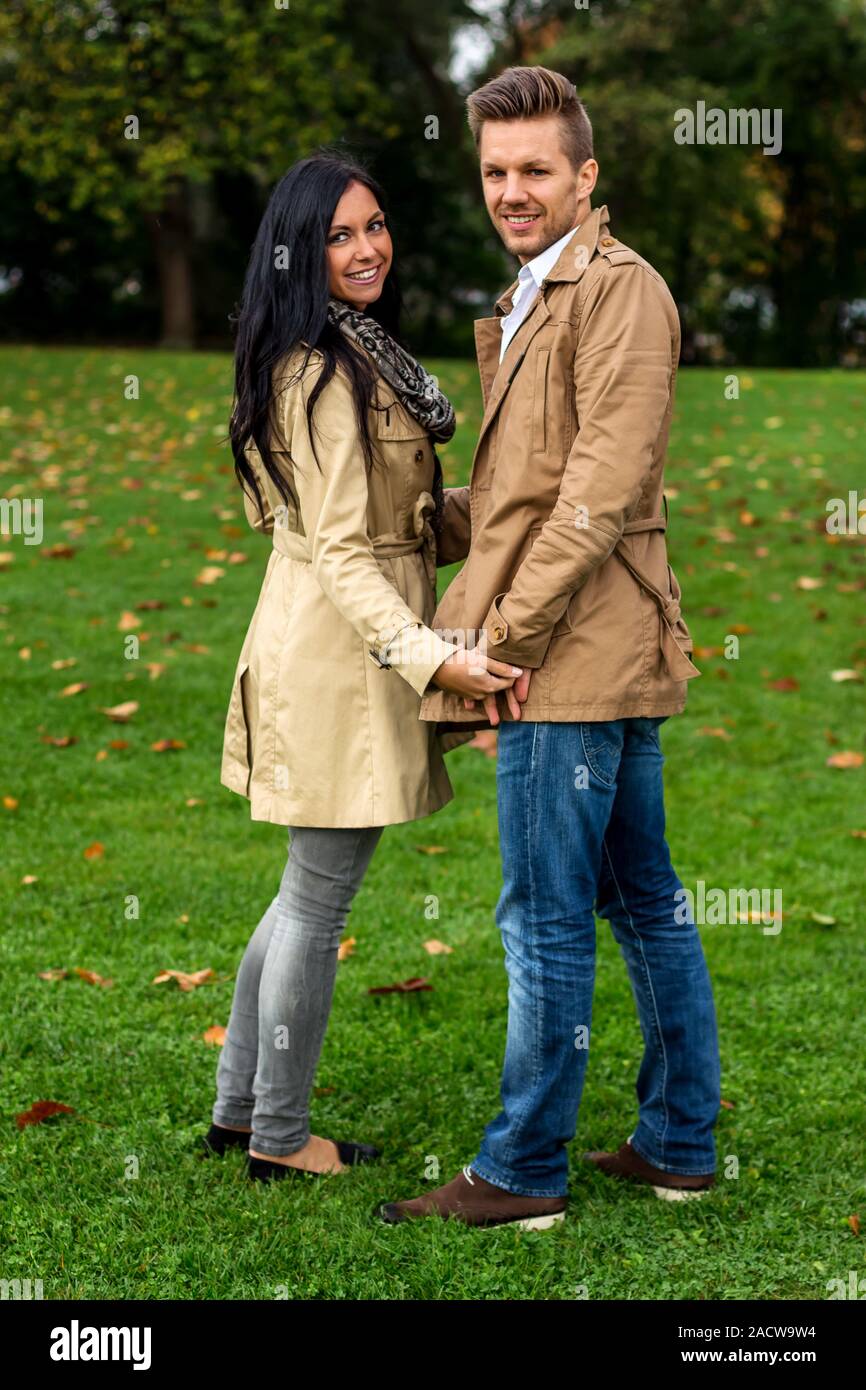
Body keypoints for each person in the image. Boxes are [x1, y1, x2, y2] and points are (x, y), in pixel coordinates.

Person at [379, 67, 722, 1229]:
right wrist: (414, 519)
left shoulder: (616, 291)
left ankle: (523, 1172)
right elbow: (531, 487)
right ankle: (677, 1141)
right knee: (643, 900)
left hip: (569, 654)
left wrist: (498, 645)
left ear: (585, 176)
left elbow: (597, 493)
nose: (511, 192)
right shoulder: (539, 287)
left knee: (544, 917)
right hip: (585, 641)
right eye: (493, 172)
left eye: (534, 170)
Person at [206, 153, 522, 1182]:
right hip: (341, 657)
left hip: (337, 638)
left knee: (302, 890)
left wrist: (507, 504)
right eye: (339, 234)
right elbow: (344, 551)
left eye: (374, 225)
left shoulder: (346, 352)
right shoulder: (324, 375)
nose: (366, 247)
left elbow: (398, 527)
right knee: (318, 899)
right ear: (299, 250)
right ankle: (282, 1139)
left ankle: (239, 1109)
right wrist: (437, 659)